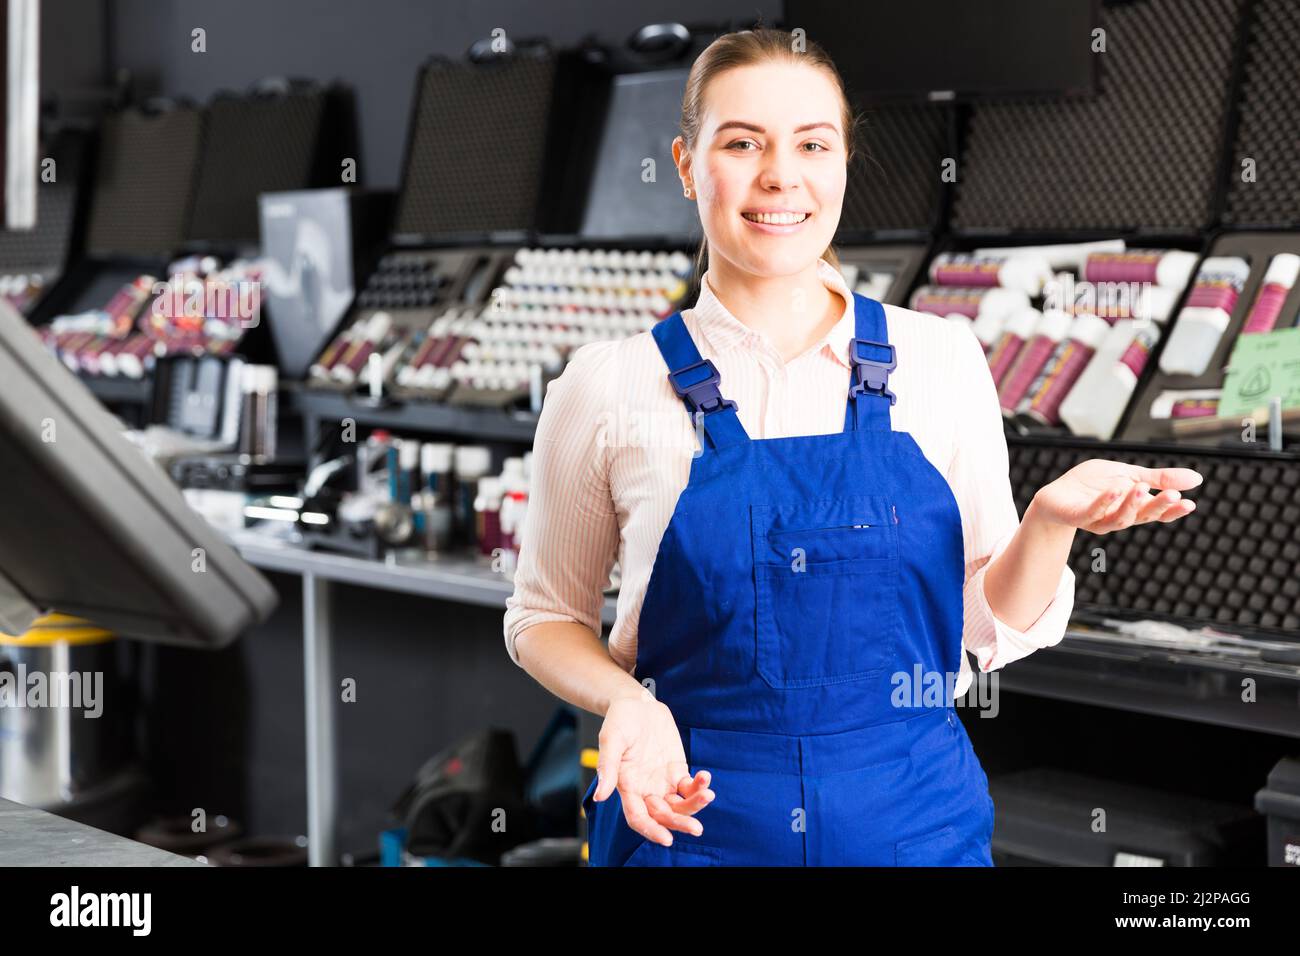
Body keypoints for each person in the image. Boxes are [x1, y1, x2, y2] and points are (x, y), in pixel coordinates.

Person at [502, 27, 1201, 866]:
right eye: (742, 143)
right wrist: (629, 704)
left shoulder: (939, 358)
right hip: (691, 817)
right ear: (687, 165)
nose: (779, 176)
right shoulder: (608, 384)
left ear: (840, 166)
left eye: (811, 144)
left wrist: (1049, 524)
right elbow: (542, 616)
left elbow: (985, 627)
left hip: (911, 823)